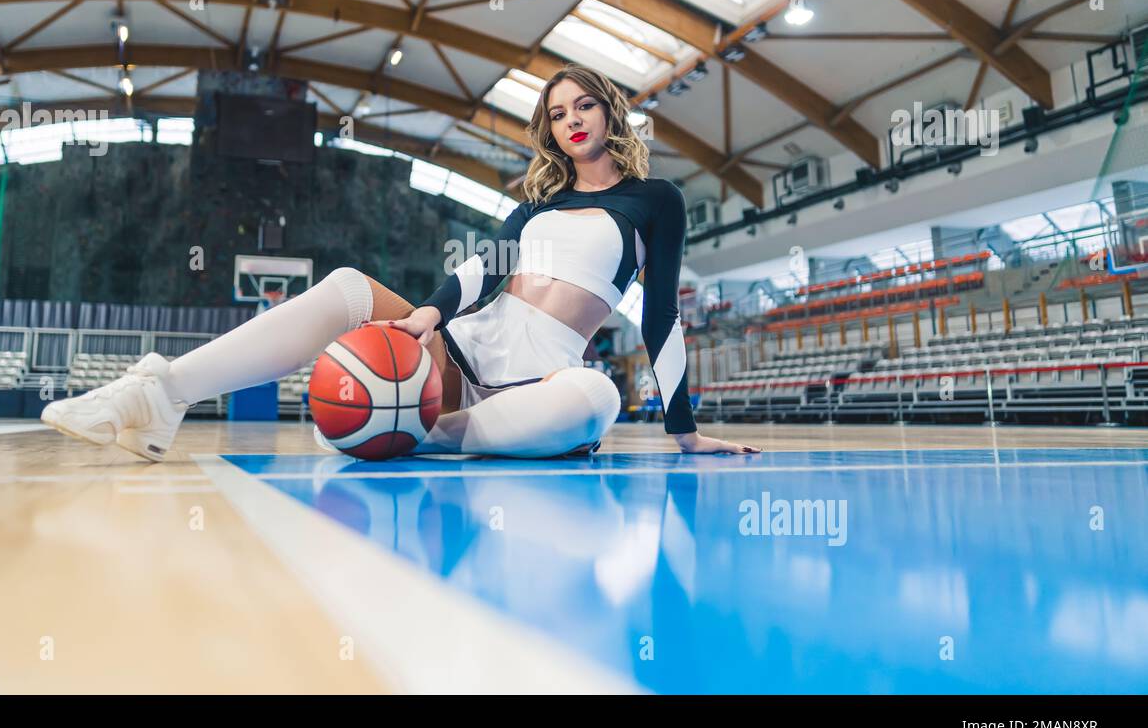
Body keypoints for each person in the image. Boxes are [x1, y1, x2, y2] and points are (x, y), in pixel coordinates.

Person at [41, 63, 761, 460]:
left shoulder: (656, 200)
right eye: (557, 114)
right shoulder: (537, 205)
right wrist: (431, 311)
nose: (571, 120)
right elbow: (484, 266)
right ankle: (163, 392)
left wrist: (683, 428)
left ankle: (424, 432)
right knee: (351, 286)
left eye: (583, 106)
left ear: (608, 111)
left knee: (597, 399)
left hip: (544, 376)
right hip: (463, 350)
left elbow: (662, 317)